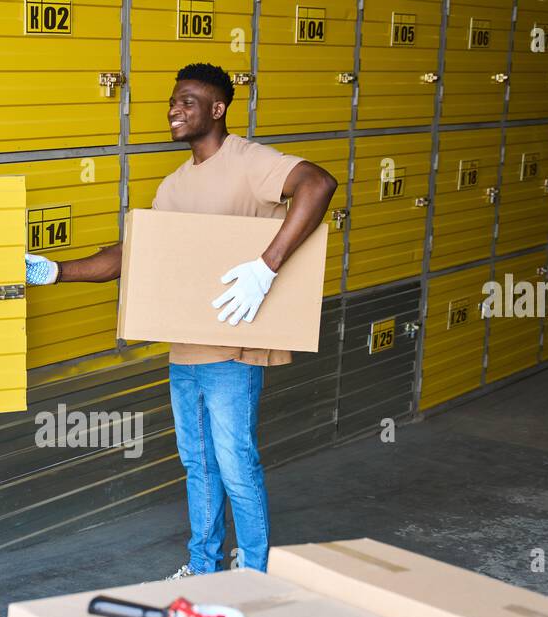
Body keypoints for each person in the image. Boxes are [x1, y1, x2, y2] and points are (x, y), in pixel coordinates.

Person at [26, 63, 338, 577]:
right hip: (185, 351)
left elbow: (319, 185)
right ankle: (202, 567)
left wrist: (267, 265)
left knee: (237, 467)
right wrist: (57, 271)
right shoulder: (172, 187)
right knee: (199, 466)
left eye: (188, 101)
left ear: (217, 109)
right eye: (173, 100)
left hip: (233, 350)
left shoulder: (248, 162)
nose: (175, 109)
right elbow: (133, 255)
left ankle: (253, 575)